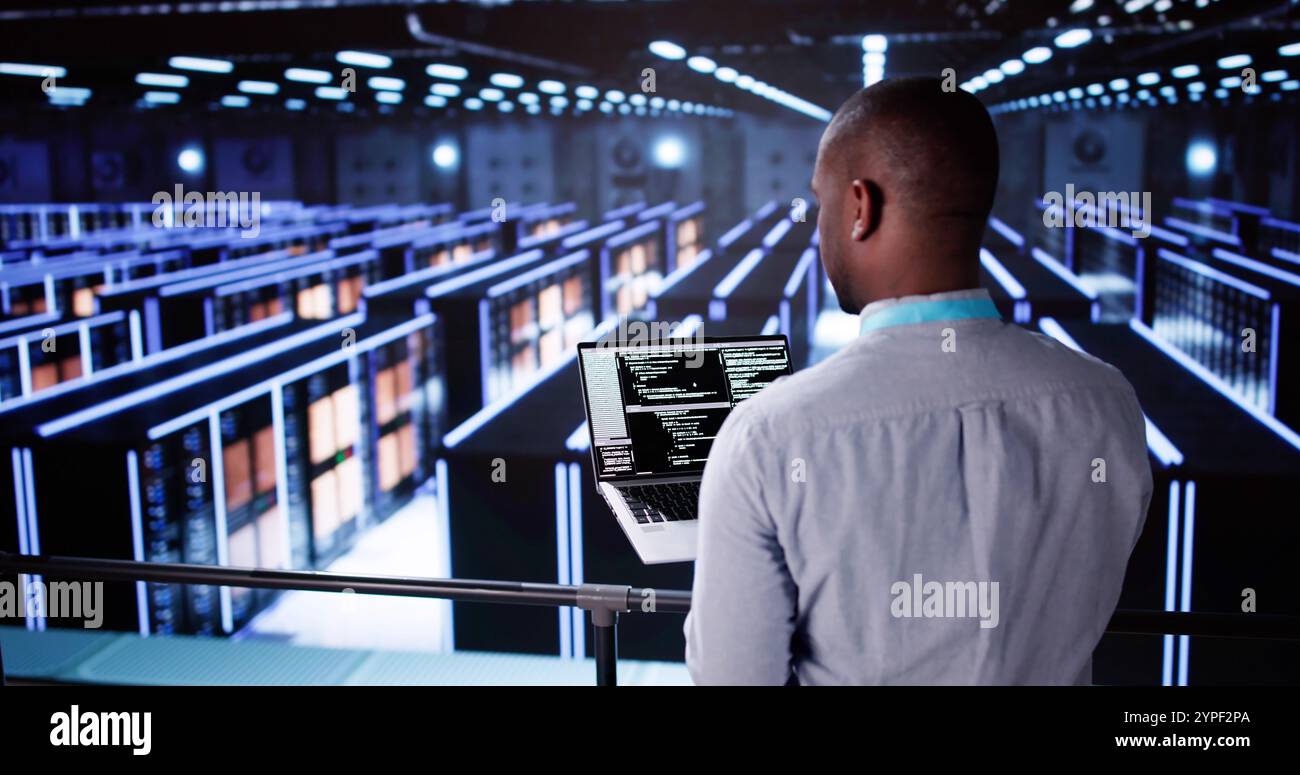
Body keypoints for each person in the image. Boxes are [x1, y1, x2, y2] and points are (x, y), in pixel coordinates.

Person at [684, 77, 1153, 685]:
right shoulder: (1107, 402)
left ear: (860, 207)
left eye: (821, 203)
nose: (818, 225)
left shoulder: (768, 438)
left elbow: (732, 678)